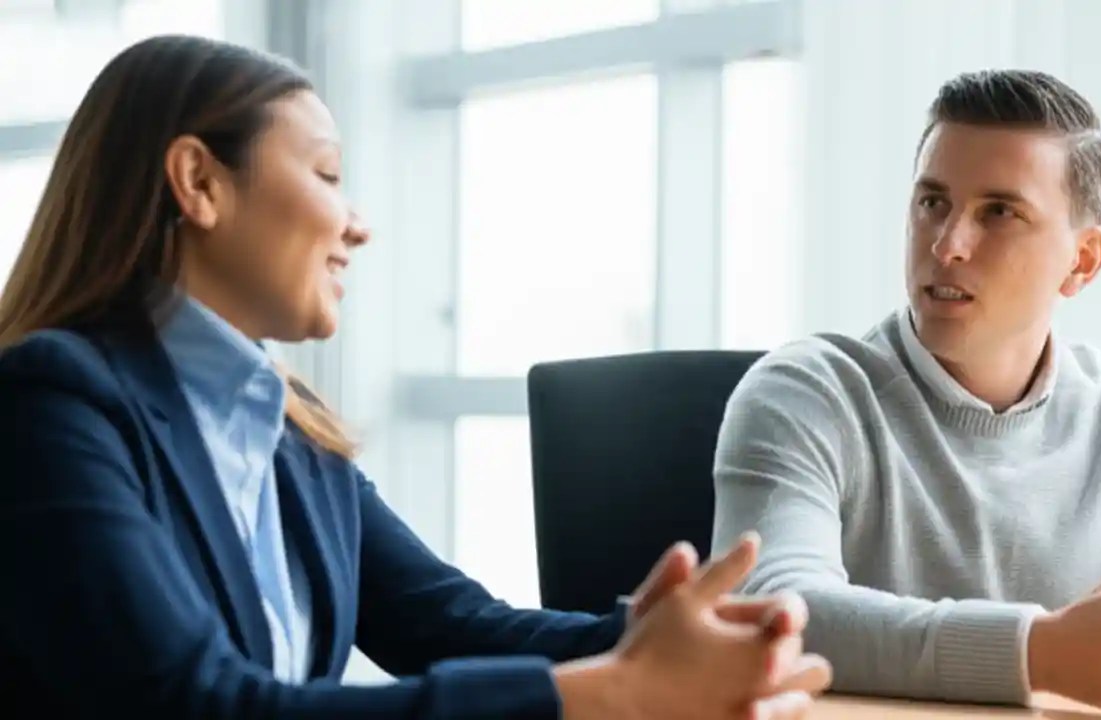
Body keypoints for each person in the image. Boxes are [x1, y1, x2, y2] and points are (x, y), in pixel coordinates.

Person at [0, 35, 832, 719]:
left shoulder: (288, 429)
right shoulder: (53, 404)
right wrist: (607, 693)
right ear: (200, 183)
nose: (357, 224)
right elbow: (193, 705)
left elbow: (448, 623)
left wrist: (642, 637)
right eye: (327, 174)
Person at [711, 68, 1101, 711]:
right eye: (932, 203)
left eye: (999, 213)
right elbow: (775, 613)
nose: (947, 244)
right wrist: (1045, 653)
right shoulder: (806, 393)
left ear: (1083, 261)